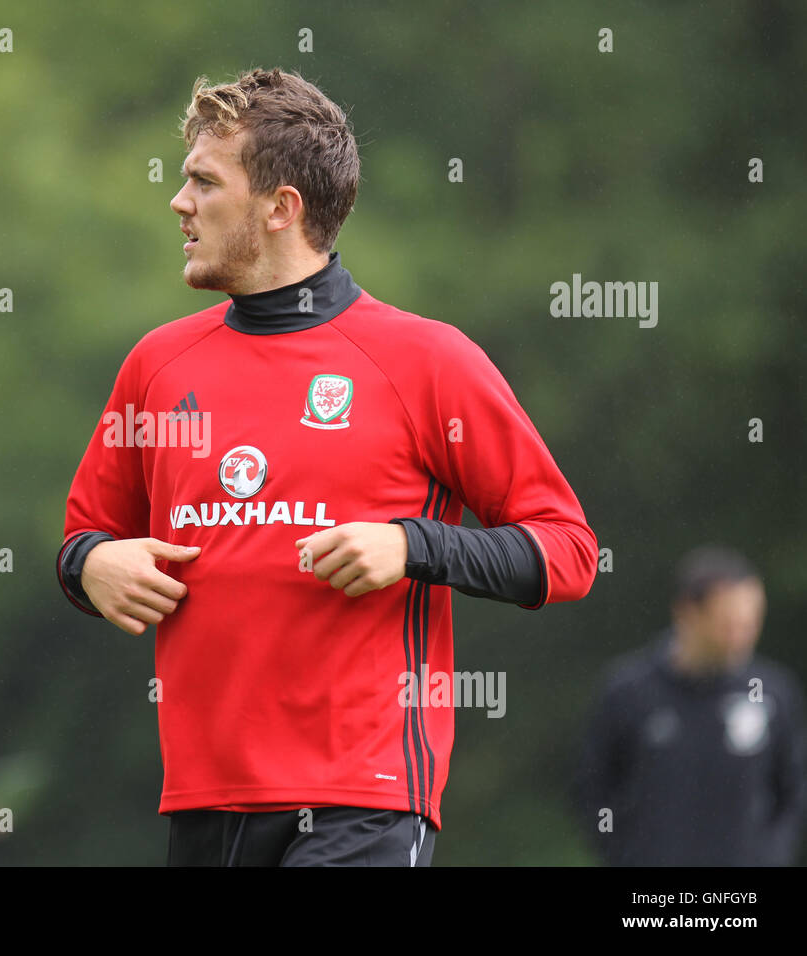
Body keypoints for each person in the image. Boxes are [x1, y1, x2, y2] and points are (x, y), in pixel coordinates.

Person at [56, 68, 597, 866]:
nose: (179, 202)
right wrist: (94, 563)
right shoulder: (158, 366)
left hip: (365, 796)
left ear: (281, 208)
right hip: (205, 798)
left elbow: (569, 551)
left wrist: (413, 545)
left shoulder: (427, 360)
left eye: (204, 182)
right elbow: (82, 540)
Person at [577, 545, 806, 866]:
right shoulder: (627, 692)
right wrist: (624, 855)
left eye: (750, 623)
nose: (742, 637)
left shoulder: (775, 694)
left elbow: (793, 794)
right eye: (728, 624)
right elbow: (594, 789)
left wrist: (770, 857)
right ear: (687, 612)